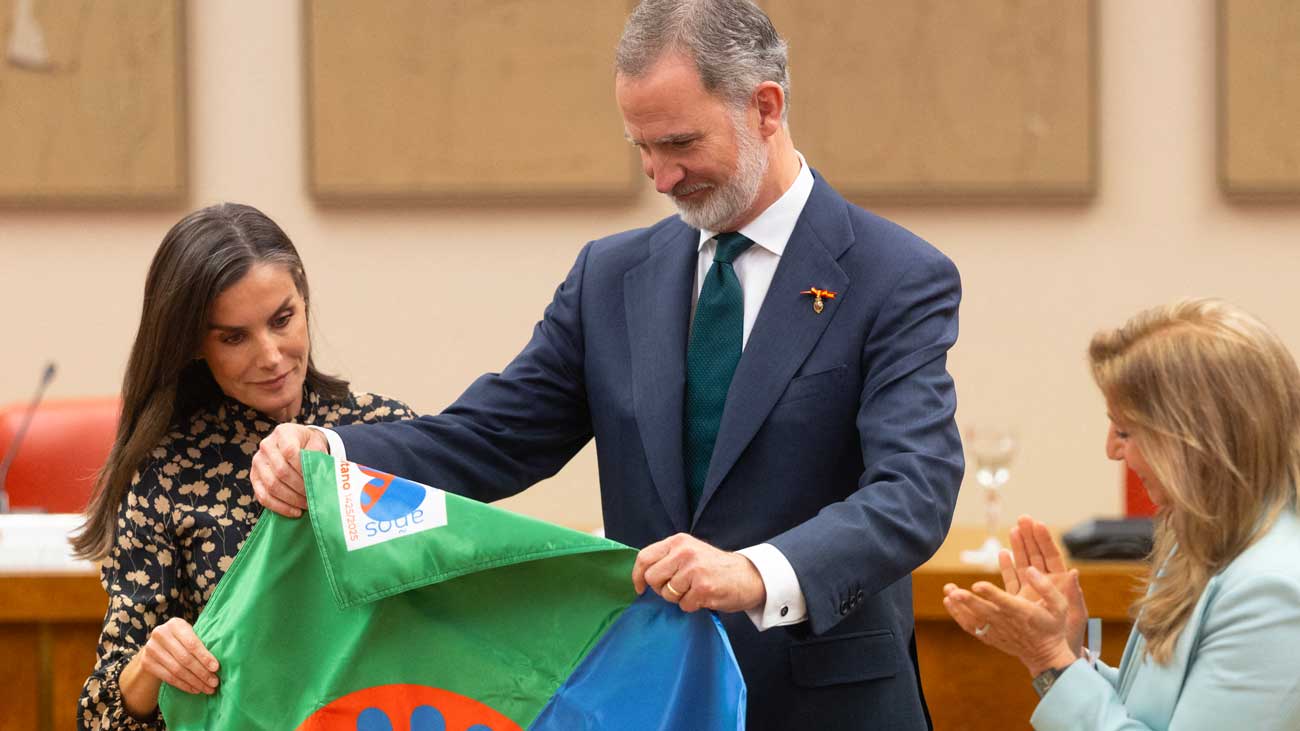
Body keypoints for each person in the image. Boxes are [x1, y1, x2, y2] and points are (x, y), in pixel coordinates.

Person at [252, 1, 963, 727]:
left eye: (679, 142)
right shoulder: (609, 277)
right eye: (641, 147)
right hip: (652, 698)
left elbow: (915, 492)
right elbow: (491, 435)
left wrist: (754, 572)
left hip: (830, 703)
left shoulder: (895, 277)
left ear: (766, 108)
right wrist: (333, 453)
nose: (659, 175)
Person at [72, 203, 414, 730]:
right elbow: (100, 718)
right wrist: (150, 664)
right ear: (192, 347)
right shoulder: (166, 471)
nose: (272, 356)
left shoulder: (384, 433)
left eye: (283, 319)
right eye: (234, 337)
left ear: (304, 296)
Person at [943, 299, 1300, 730]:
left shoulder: (1271, 589)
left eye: (1126, 431)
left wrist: (1049, 660)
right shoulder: (1208, 539)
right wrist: (1067, 653)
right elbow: (1152, 711)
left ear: (1197, 440)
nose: (1112, 450)